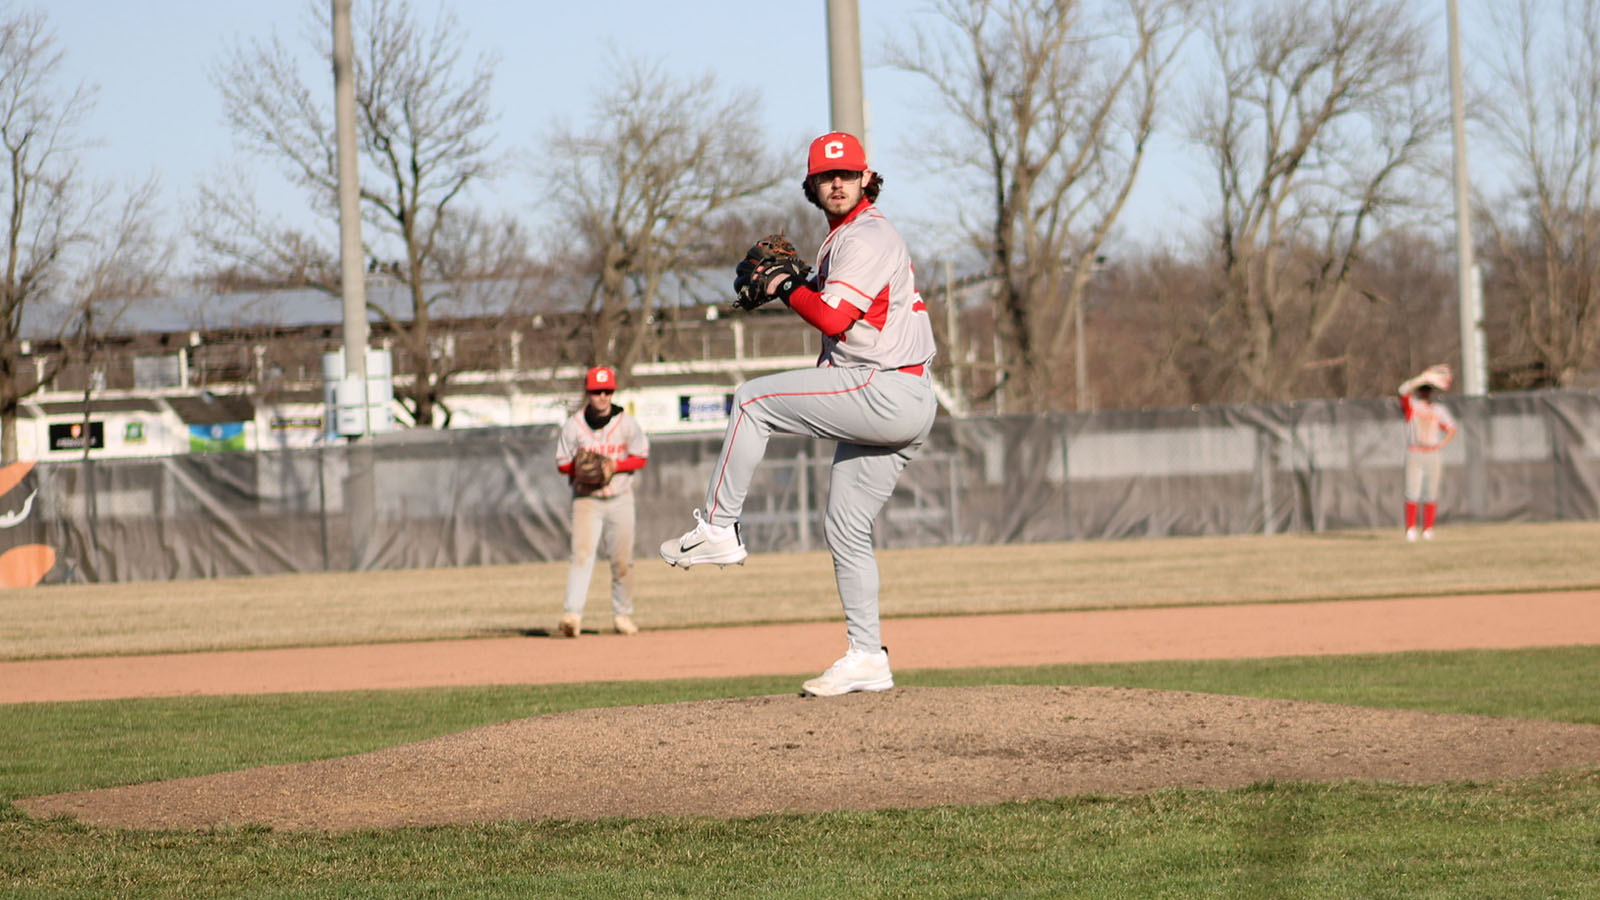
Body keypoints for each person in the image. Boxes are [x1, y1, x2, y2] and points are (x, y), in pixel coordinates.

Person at [659, 131, 939, 697]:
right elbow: (837, 309)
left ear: (866, 178)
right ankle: (868, 656)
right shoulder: (847, 239)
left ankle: (718, 527)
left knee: (752, 400)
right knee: (846, 526)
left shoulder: (867, 234)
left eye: (847, 174)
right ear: (811, 185)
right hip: (904, 393)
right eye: (825, 176)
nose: (837, 183)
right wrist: (801, 283)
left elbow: (833, 319)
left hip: (884, 388)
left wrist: (787, 284)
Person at [555, 365, 650, 636]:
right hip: (587, 500)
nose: (602, 397)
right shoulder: (574, 426)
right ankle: (572, 615)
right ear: (588, 393)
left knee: (622, 560)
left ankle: (622, 615)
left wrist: (615, 466)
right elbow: (561, 463)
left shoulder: (627, 423)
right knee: (581, 556)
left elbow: (641, 457)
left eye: (607, 391)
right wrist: (579, 468)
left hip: (621, 498)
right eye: (597, 392)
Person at [1397, 363, 1458, 541]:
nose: (1425, 392)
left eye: (1428, 389)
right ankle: (1410, 529)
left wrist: (1440, 444)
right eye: (1422, 389)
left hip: (1432, 452)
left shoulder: (1438, 409)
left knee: (1431, 492)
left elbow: (1452, 428)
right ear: (1418, 391)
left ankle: (1428, 529)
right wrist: (1423, 378)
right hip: (1415, 451)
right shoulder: (1413, 406)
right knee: (1412, 491)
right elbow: (1402, 390)